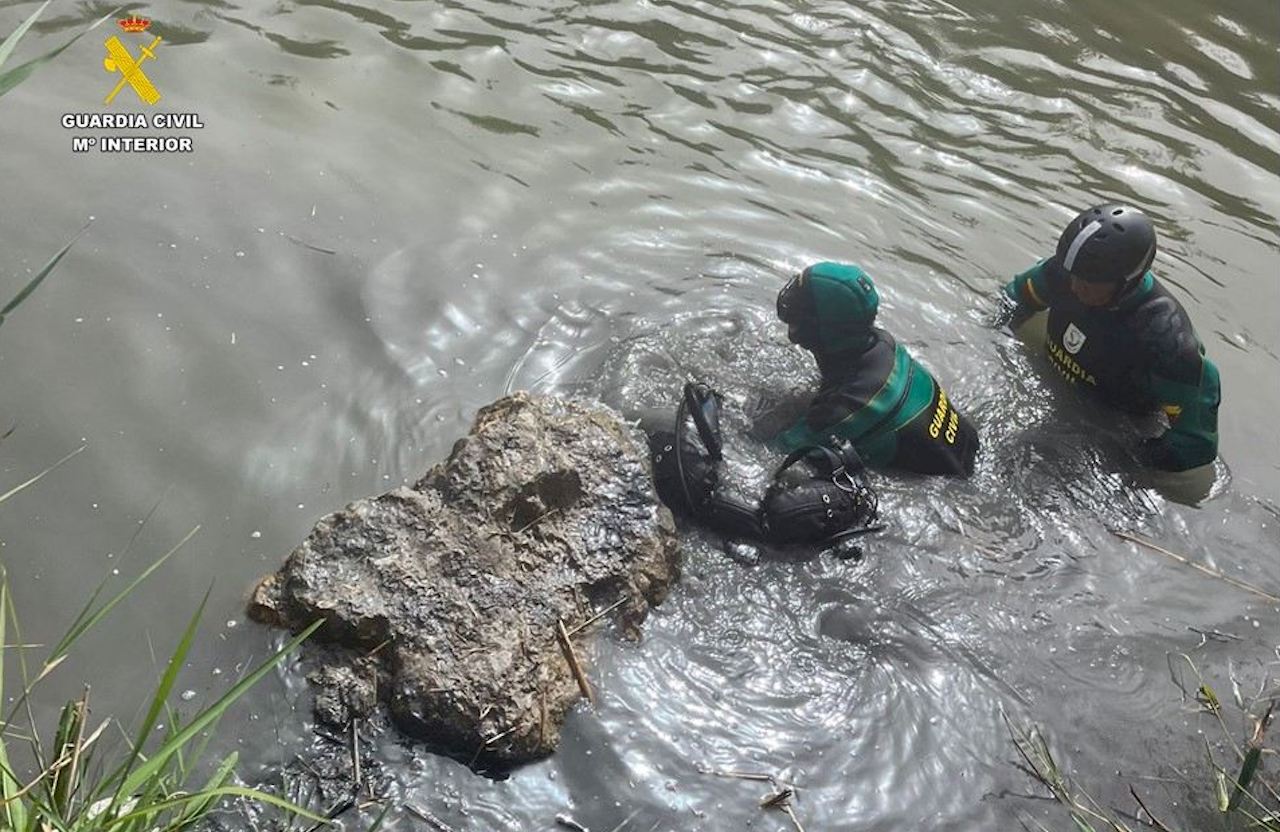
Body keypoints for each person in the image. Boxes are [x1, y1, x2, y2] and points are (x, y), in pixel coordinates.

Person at [999, 203, 1220, 473]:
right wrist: (996, 345)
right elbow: (1014, 299)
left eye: (1089, 282)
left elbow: (1197, 444)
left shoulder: (1166, 341)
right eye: (1074, 275)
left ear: (1128, 280)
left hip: (1112, 424)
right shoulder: (1064, 273)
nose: (1075, 287)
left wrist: (1117, 462)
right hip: (1051, 387)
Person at [770, 261, 979, 477]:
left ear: (817, 328)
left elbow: (776, 455)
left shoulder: (847, 410)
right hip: (968, 451)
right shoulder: (883, 344)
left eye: (798, 313)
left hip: (948, 486)